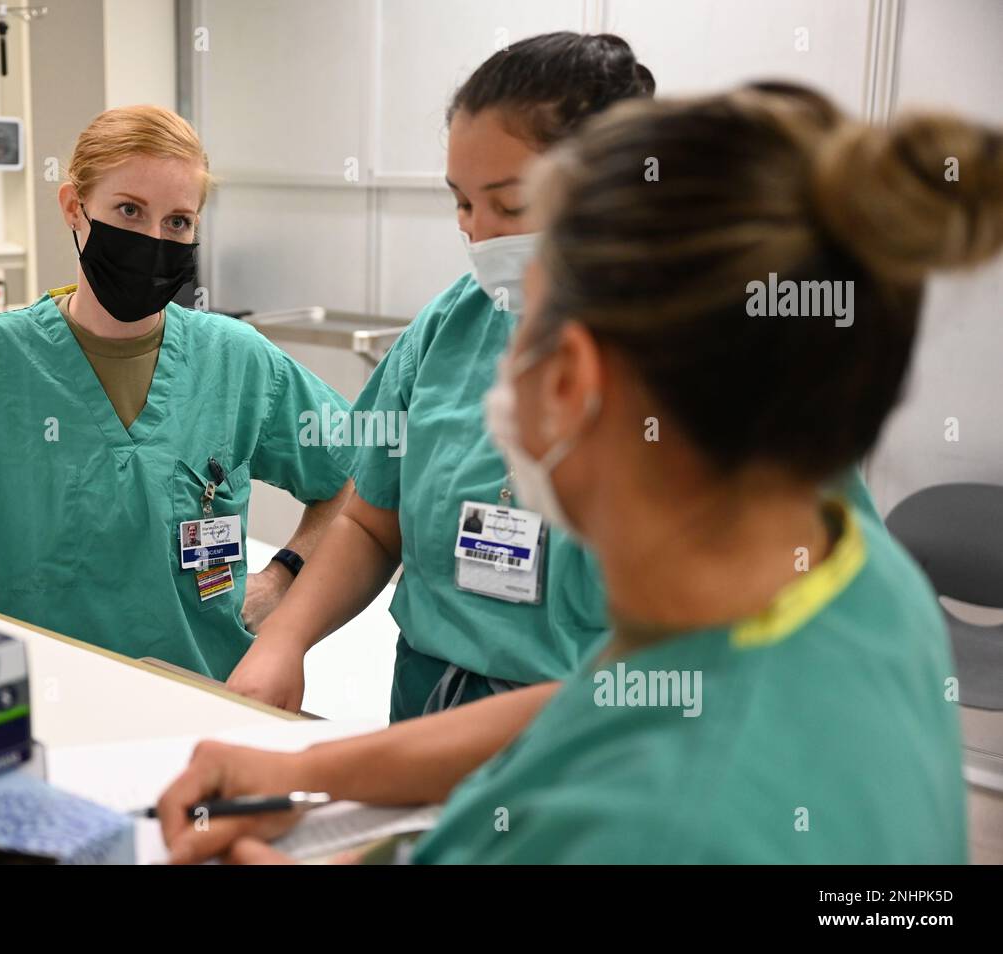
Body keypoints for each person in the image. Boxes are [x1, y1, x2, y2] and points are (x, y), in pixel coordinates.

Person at [155, 83, 1002, 863]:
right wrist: (321, 770)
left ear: (568, 382)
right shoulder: (857, 580)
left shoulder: (637, 826)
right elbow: (601, 704)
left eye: (528, 315)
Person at [228, 33, 655, 719]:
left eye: (510, 205)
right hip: (431, 703)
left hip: (599, 741)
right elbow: (371, 522)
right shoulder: (451, 328)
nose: (479, 235)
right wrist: (285, 640)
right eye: (462, 203)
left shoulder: (694, 357)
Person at [0, 106, 352, 680]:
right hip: (38, 700)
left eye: (178, 222)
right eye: (129, 211)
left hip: (206, 701)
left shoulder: (237, 360)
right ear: (74, 207)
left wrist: (283, 577)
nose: (153, 239)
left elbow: (354, 478)